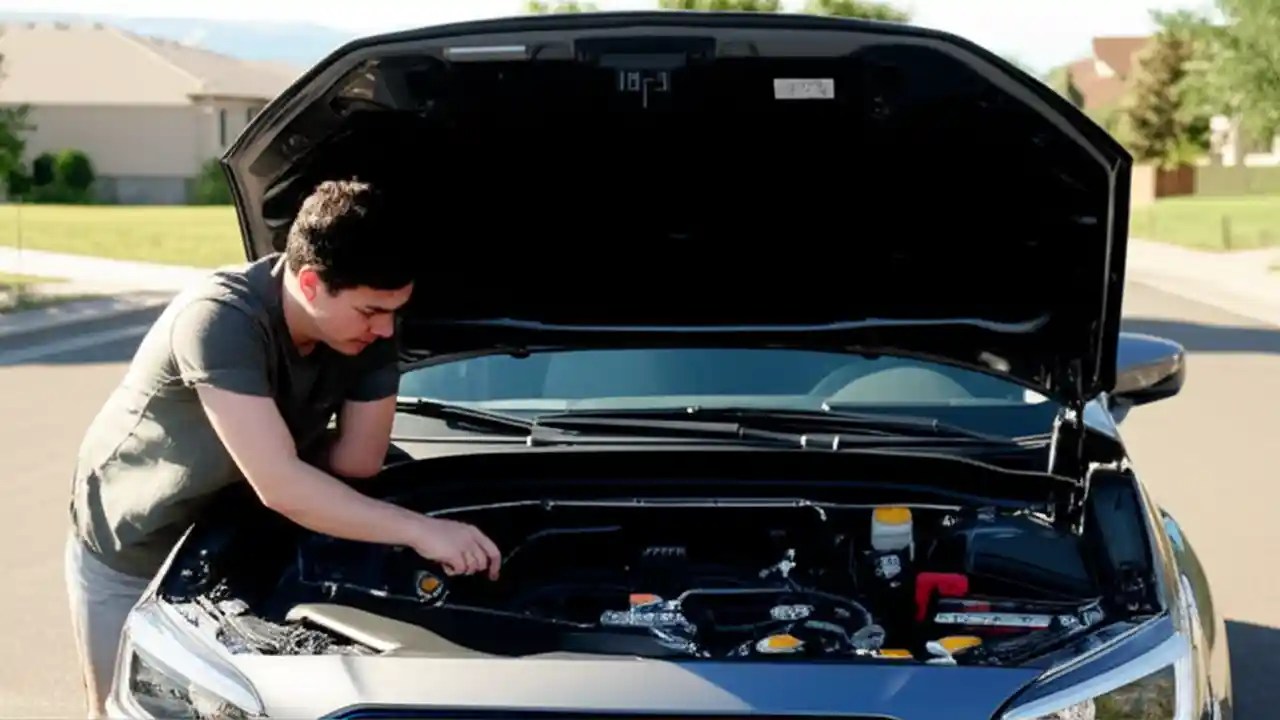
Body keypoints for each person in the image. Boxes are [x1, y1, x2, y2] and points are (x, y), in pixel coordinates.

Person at [64, 179, 500, 718]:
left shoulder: (366, 330)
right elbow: (281, 484)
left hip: (241, 537)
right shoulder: (220, 319)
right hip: (137, 542)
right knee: (116, 708)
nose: (386, 330)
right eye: (370, 312)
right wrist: (424, 530)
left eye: (394, 311)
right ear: (311, 283)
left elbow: (359, 461)